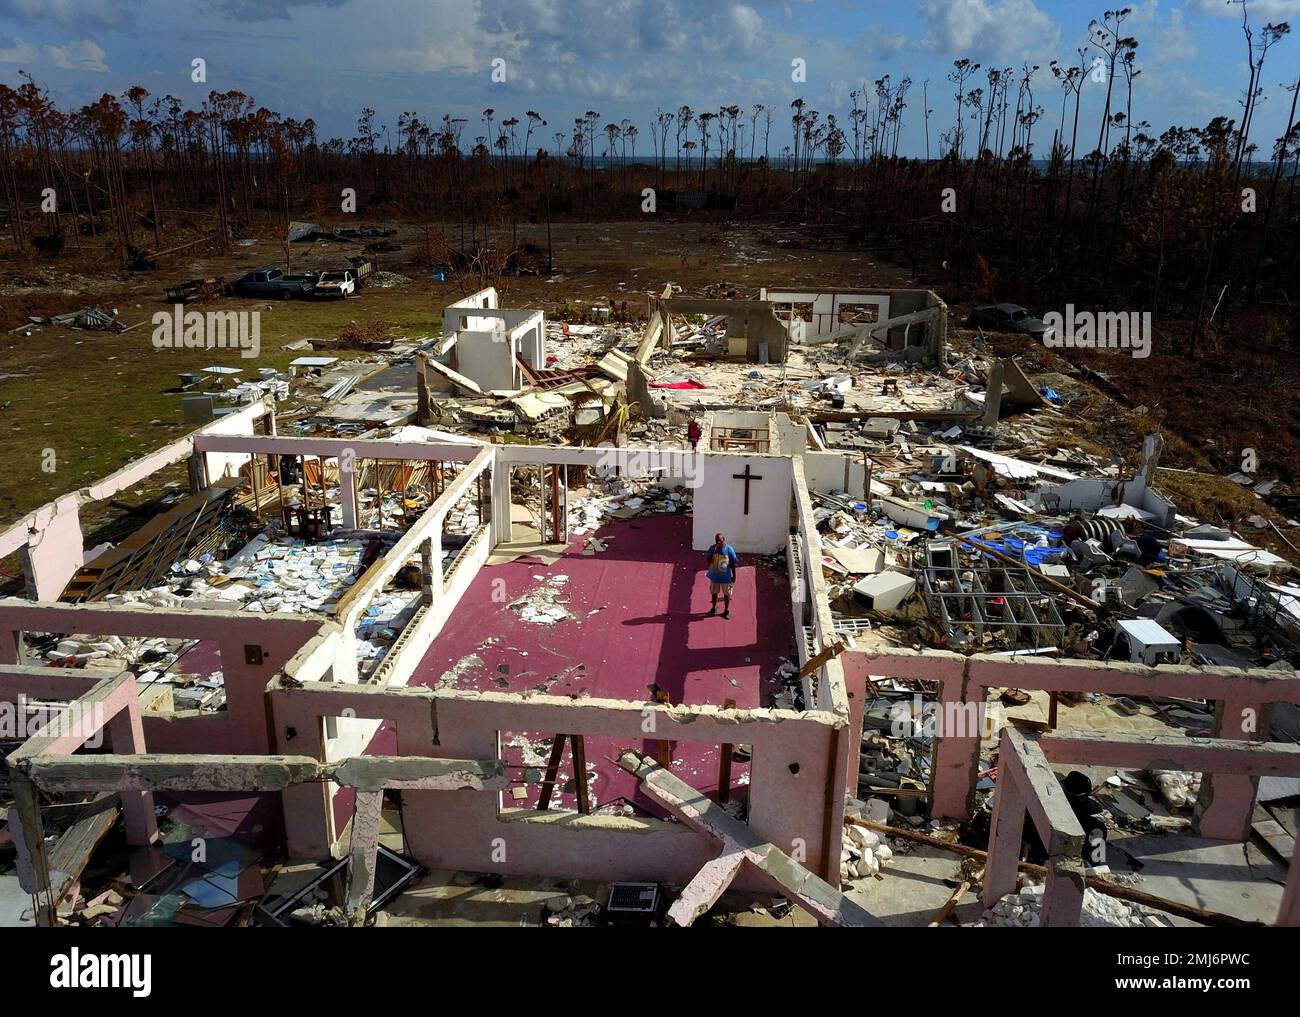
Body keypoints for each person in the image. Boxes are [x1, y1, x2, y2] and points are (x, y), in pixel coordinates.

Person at [705, 532, 738, 618]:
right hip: (714, 576)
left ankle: (726, 611)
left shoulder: (729, 549)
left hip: (727, 578)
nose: (718, 542)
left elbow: (733, 564)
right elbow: (708, 560)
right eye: (716, 540)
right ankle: (713, 608)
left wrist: (734, 576)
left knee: (727, 594)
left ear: (724, 540)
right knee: (714, 593)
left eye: (719, 540)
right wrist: (713, 553)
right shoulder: (712, 548)